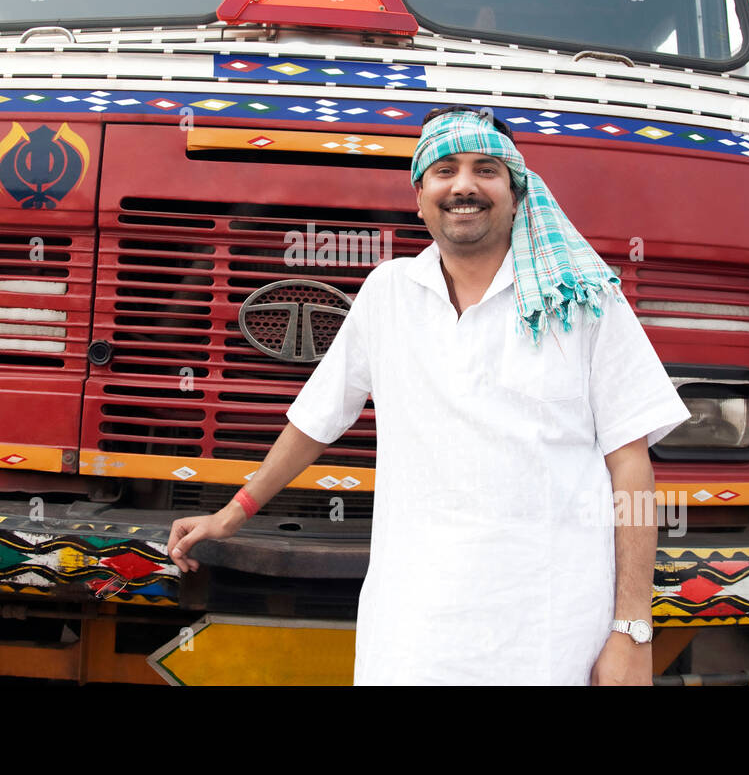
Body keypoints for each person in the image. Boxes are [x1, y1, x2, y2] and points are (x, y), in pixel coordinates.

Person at [167, 106, 689, 685]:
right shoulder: (388, 293)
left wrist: (632, 629)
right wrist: (234, 513)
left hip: (551, 633)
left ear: (516, 192)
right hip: (413, 633)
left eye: (485, 169)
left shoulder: (584, 302)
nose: (463, 184)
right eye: (444, 170)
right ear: (419, 196)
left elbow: (631, 468)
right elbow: (317, 422)